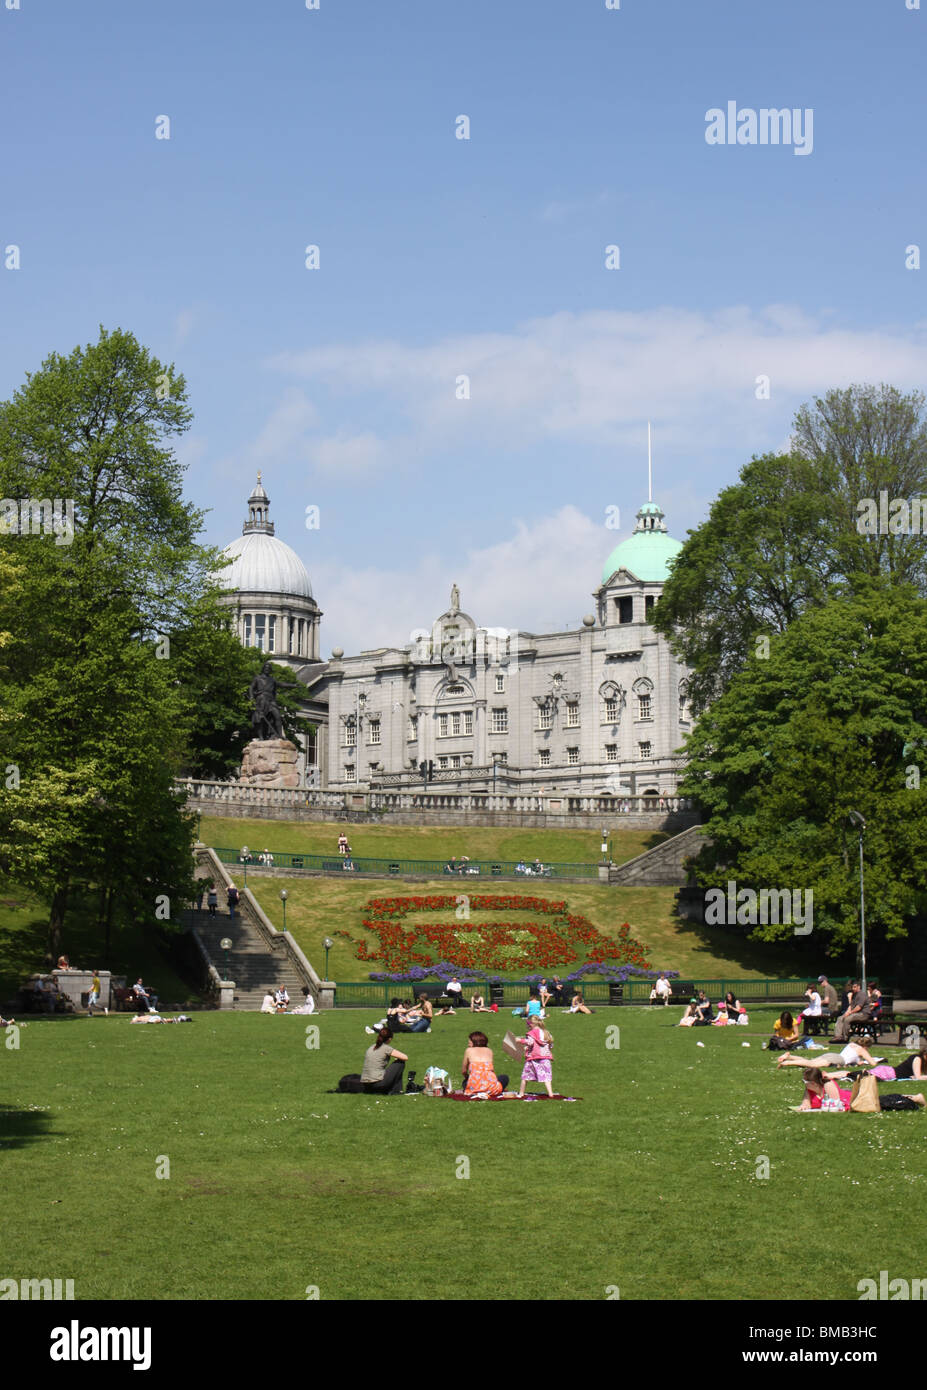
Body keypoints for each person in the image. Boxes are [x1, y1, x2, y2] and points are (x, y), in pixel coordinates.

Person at [775, 1039, 879, 1071]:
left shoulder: (852, 1044)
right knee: (811, 1064)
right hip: (838, 1059)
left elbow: (853, 1058)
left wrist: (858, 1062)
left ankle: (789, 1056)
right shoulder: (862, 1050)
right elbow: (873, 1063)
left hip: (833, 1055)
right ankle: (787, 1063)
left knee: (811, 1060)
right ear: (866, 1046)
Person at [361, 1027, 408, 1095]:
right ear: (389, 1039)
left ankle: (389, 1089)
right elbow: (405, 1057)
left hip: (366, 1085)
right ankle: (396, 1090)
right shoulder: (385, 1048)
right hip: (378, 1084)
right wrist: (397, 1059)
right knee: (400, 1063)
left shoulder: (371, 1047)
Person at [461, 1031, 509, 1098]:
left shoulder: (468, 1050)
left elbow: (463, 1071)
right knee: (504, 1078)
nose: (468, 1044)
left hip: (474, 1088)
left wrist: (468, 1077)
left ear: (474, 1041)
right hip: (492, 1089)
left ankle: (477, 1090)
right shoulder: (489, 1051)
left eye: (469, 1041)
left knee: (465, 1083)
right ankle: (491, 1090)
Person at [516, 1020, 555, 1097]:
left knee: (525, 1076)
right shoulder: (546, 1032)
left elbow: (530, 1042)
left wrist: (520, 1040)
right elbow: (551, 1045)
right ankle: (550, 1093)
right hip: (545, 1058)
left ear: (531, 1024)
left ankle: (521, 1093)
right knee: (547, 1077)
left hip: (533, 1058)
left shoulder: (532, 1033)